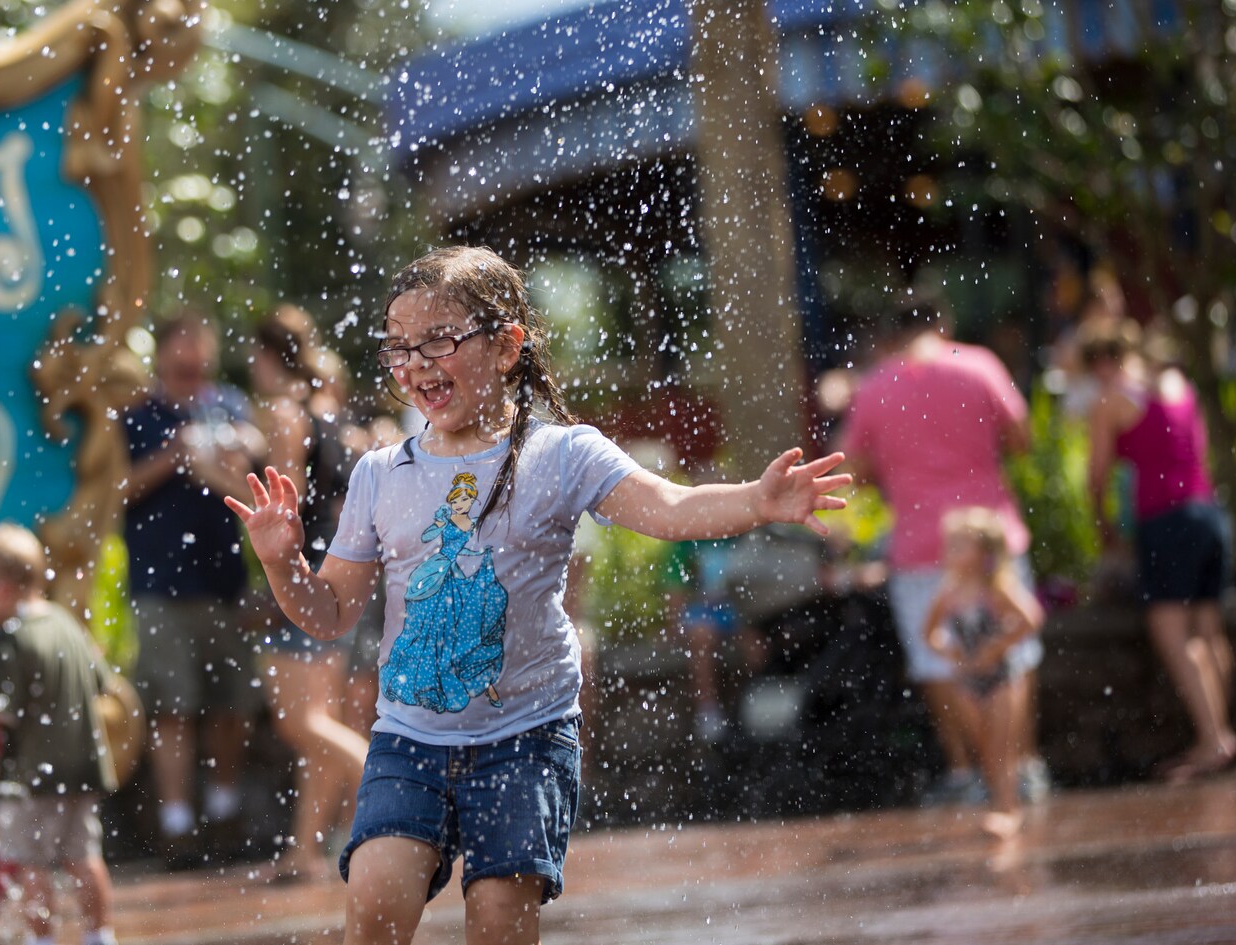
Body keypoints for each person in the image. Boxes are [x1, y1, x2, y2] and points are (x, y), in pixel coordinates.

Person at [224, 245, 850, 945]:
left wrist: (756, 501)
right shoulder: (381, 472)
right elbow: (329, 612)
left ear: (506, 346)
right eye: (400, 346)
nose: (417, 363)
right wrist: (283, 566)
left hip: (524, 736)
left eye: (440, 339)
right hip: (410, 737)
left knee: (496, 918)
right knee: (372, 903)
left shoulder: (562, 455)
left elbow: (668, 505)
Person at [836, 294, 1048, 807]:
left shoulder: (875, 386)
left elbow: (850, 468)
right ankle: (1020, 767)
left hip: (920, 543)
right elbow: (1022, 437)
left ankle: (965, 771)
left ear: (893, 335)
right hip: (989, 536)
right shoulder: (978, 366)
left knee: (938, 661)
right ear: (943, 323)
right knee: (1013, 655)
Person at [122, 312, 265, 855]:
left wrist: (232, 445)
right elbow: (115, 490)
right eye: (181, 348)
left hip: (224, 581)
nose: (191, 360)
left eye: (200, 348)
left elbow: (257, 454)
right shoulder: (138, 414)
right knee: (171, 709)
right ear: (160, 354)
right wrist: (173, 457)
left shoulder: (226, 405)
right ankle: (176, 824)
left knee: (231, 706)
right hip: (159, 584)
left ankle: (225, 813)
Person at [1080, 319, 1236, 782]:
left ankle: (1213, 740)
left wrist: (1103, 526)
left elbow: (1096, 476)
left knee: (1172, 632)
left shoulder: (1111, 401)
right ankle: (1220, 732)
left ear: (1104, 362)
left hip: (1166, 521)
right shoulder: (1178, 384)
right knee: (1209, 629)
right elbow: (1199, 451)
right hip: (1209, 514)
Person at [246, 305, 370, 882]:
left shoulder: (284, 412)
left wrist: (215, 474)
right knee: (321, 716)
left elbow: (277, 500)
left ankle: (403, 787)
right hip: (338, 570)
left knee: (301, 723)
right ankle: (304, 850)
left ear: (268, 356)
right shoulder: (330, 411)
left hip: (296, 574)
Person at [0, 524, 118, 945]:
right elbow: (102, 683)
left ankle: (41, 940)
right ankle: (99, 936)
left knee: (31, 861)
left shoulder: (11, 638)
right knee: (84, 856)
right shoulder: (67, 624)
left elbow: (5, 712)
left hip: (33, 775)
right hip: (83, 768)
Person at [922, 508, 1044, 839]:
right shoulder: (947, 595)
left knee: (1002, 745)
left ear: (984, 552)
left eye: (961, 545)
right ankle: (1000, 805)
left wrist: (997, 648)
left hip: (1002, 678)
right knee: (983, 746)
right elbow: (928, 633)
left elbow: (1032, 618)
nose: (951, 552)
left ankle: (1008, 809)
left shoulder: (996, 589)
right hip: (967, 682)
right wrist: (951, 653)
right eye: (951, 545)